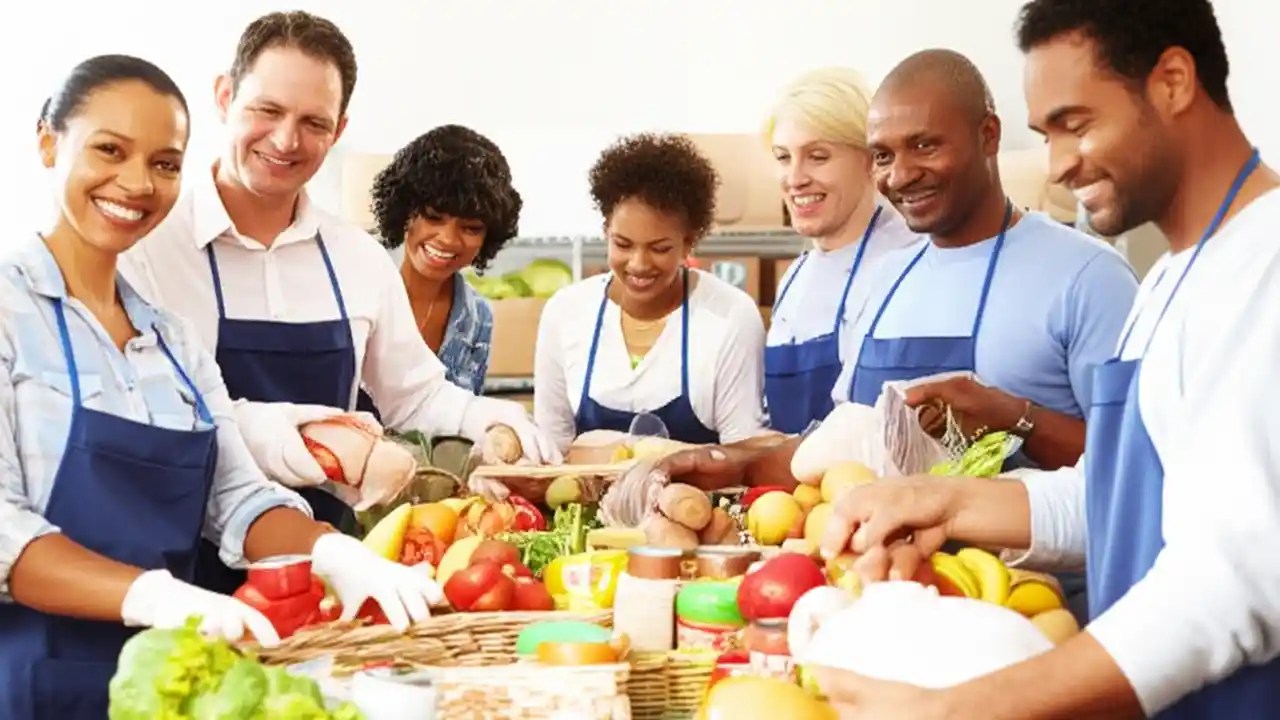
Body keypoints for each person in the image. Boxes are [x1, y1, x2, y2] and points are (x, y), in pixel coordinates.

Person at [814, 1, 1280, 718]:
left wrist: (960, 708)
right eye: (1047, 134)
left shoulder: (1265, 271)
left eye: (1077, 124)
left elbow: (1234, 581)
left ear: (1175, 82)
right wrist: (943, 500)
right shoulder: (1172, 278)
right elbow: (1117, 502)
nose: (1058, 166)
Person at [0, 55, 441, 720]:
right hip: (28, 684)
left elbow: (238, 500)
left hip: (175, 685)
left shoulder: (174, 345)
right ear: (47, 143)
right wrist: (157, 596)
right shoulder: (9, 315)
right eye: (110, 150)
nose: (136, 182)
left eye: (165, 163)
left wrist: (335, 552)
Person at [118, 12, 559, 593]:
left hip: (332, 574)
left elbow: (415, 392)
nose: (285, 140)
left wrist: (498, 419)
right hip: (179, 571)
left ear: (339, 127)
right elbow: (172, 419)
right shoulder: (146, 248)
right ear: (224, 96)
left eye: (313, 122)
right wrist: (327, 446)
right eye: (267, 110)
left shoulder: (356, 259)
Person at [833, 48, 1138, 475]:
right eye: (883, 156)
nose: (900, 176)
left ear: (988, 135)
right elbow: (846, 444)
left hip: (1026, 542)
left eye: (924, 145)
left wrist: (1017, 419)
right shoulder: (884, 281)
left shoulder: (1089, 277)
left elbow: (1135, 462)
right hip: (883, 541)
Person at [534, 132, 767, 451]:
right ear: (605, 230)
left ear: (689, 241)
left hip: (696, 501)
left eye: (659, 248)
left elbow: (743, 449)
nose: (639, 264)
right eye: (622, 244)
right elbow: (550, 447)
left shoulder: (729, 316)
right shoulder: (566, 313)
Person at [763, 67, 924, 434]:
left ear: (870, 159)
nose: (795, 178)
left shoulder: (905, 267)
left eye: (818, 156)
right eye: (784, 157)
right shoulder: (795, 277)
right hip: (792, 488)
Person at [355, 124, 520, 404]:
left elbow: (460, 427)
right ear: (405, 211)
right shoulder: (355, 291)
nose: (448, 239)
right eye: (433, 217)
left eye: (470, 228)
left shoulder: (478, 317)